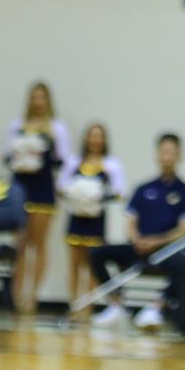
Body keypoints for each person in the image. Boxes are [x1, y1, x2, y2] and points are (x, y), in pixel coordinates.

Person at [90, 133, 185, 330]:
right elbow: (131, 220)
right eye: (163, 151)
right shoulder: (143, 189)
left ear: (179, 155)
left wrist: (156, 242)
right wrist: (137, 240)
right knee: (97, 252)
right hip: (139, 247)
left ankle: (157, 309)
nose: (167, 156)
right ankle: (116, 305)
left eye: (171, 152)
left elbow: (184, 229)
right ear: (157, 155)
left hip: (167, 251)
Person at [5, 81, 74, 314]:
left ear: (48, 100)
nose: (37, 102)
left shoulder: (57, 128)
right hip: (20, 187)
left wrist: (62, 186)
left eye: (41, 97)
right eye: (34, 97)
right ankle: (17, 293)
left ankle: (33, 295)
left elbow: (65, 162)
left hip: (43, 188)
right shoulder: (17, 125)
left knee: (38, 244)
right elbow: (7, 155)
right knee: (20, 244)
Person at [61, 123, 128, 323]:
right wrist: (77, 192)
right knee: (74, 263)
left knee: (91, 263)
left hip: (96, 219)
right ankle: (74, 303)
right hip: (76, 216)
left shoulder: (111, 165)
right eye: (92, 136)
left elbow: (120, 191)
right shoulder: (74, 162)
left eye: (99, 136)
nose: (95, 140)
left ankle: (87, 307)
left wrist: (98, 194)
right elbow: (61, 185)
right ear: (86, 138)